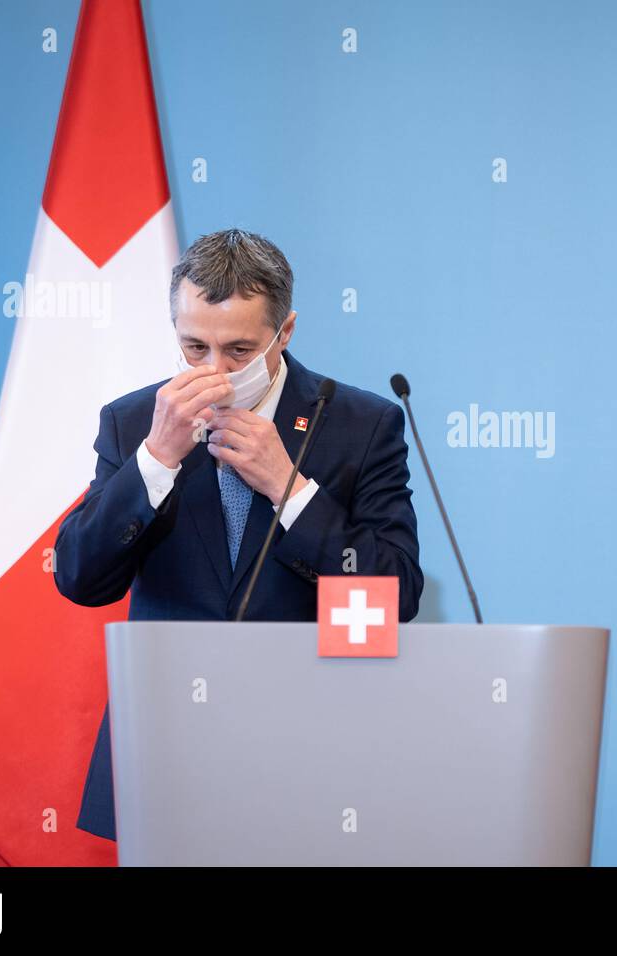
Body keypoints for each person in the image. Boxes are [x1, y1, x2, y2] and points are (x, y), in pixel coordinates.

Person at [54, 228, 423, 841]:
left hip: (316, 756)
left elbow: (394, 597)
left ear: (286, 332)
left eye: (240, 350)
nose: (215, 372)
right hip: (167, 754)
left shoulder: (362, 425)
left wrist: (291, 489)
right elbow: (80, 579)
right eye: (194, 346)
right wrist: (155, 460)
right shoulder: (131, 423)